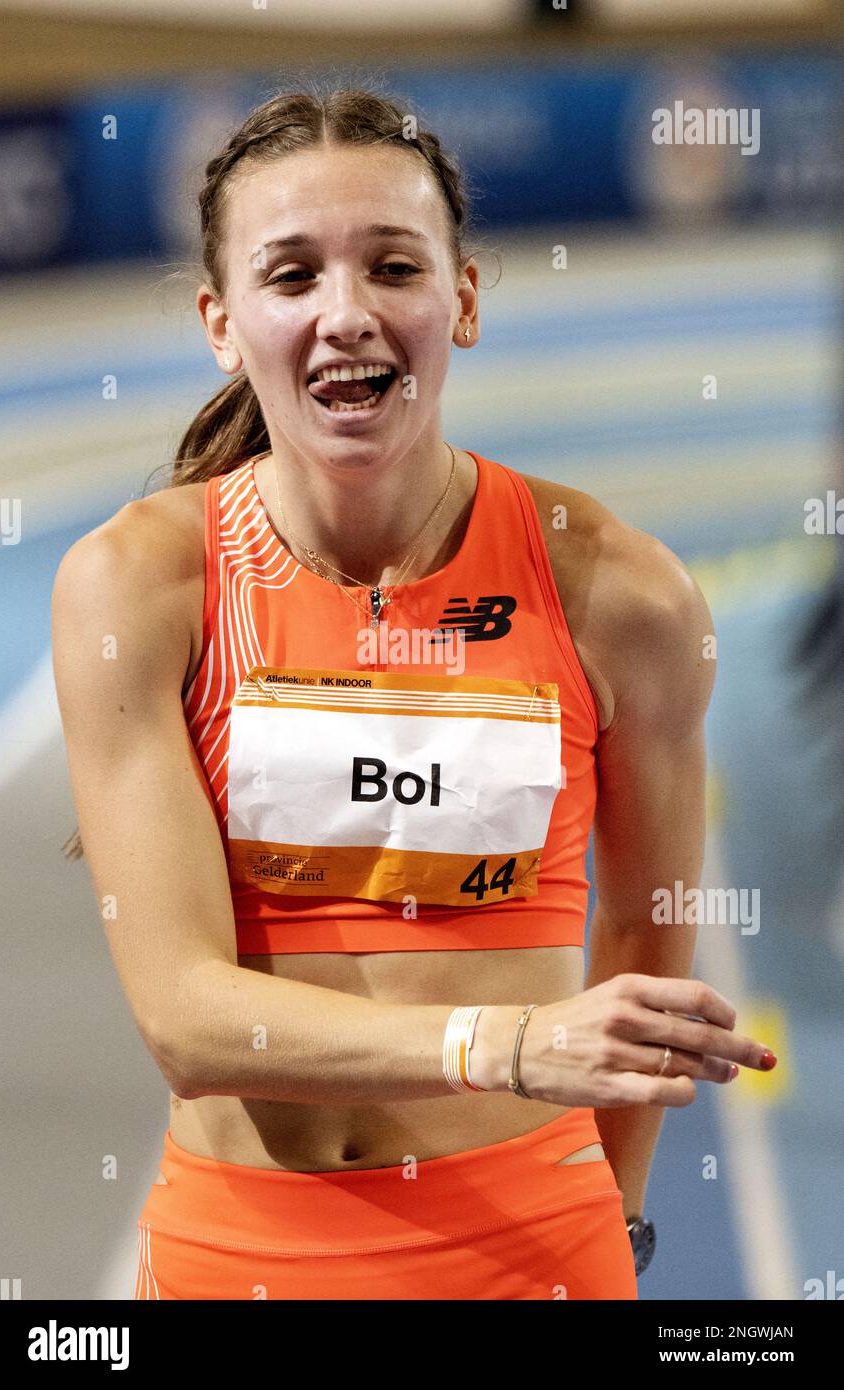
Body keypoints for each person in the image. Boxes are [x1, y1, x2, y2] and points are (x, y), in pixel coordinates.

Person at [51, 84, 777, 1301]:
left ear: (465, 299)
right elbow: (182, 1017)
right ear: (221, 324)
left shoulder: (620, 595)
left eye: (393, 266)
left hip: (534, 1245)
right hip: (241, 1251)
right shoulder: (139, 588)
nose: (346, 315)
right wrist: (505, 1042)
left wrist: (619, 1217)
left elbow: (645, 941)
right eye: (291, 277)